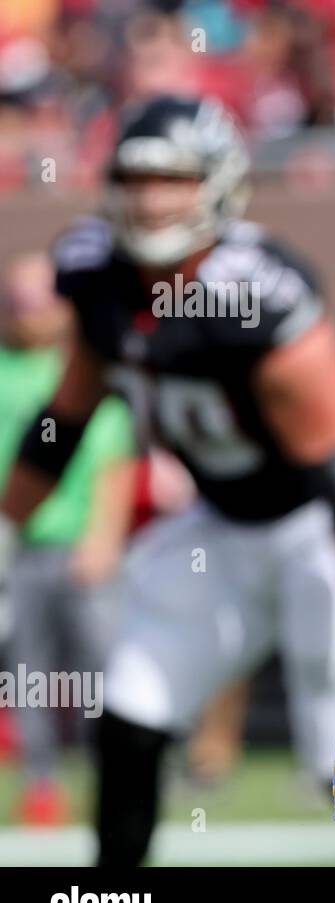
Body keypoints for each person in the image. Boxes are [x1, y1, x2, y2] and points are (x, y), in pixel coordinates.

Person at [0, 95, 335, 865]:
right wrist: (7, 530)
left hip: (316, 532)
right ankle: (113, 898)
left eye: (173, 178)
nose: (151, 199)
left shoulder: (257, 288)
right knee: (132, 703)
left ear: (219, 184)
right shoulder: (97, 275)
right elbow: (64, 420)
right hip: (218, 528)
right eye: (135, 180)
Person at [0, 251, 135, 825]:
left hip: (81, 548)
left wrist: (103, 536)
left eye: (36, 299)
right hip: (19, 550)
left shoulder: (82, 369)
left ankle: (115, 780)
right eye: (16, 300)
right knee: (25, 675)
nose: (25, 311)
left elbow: (113, 458)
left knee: (103, 673)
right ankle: (41, 785)